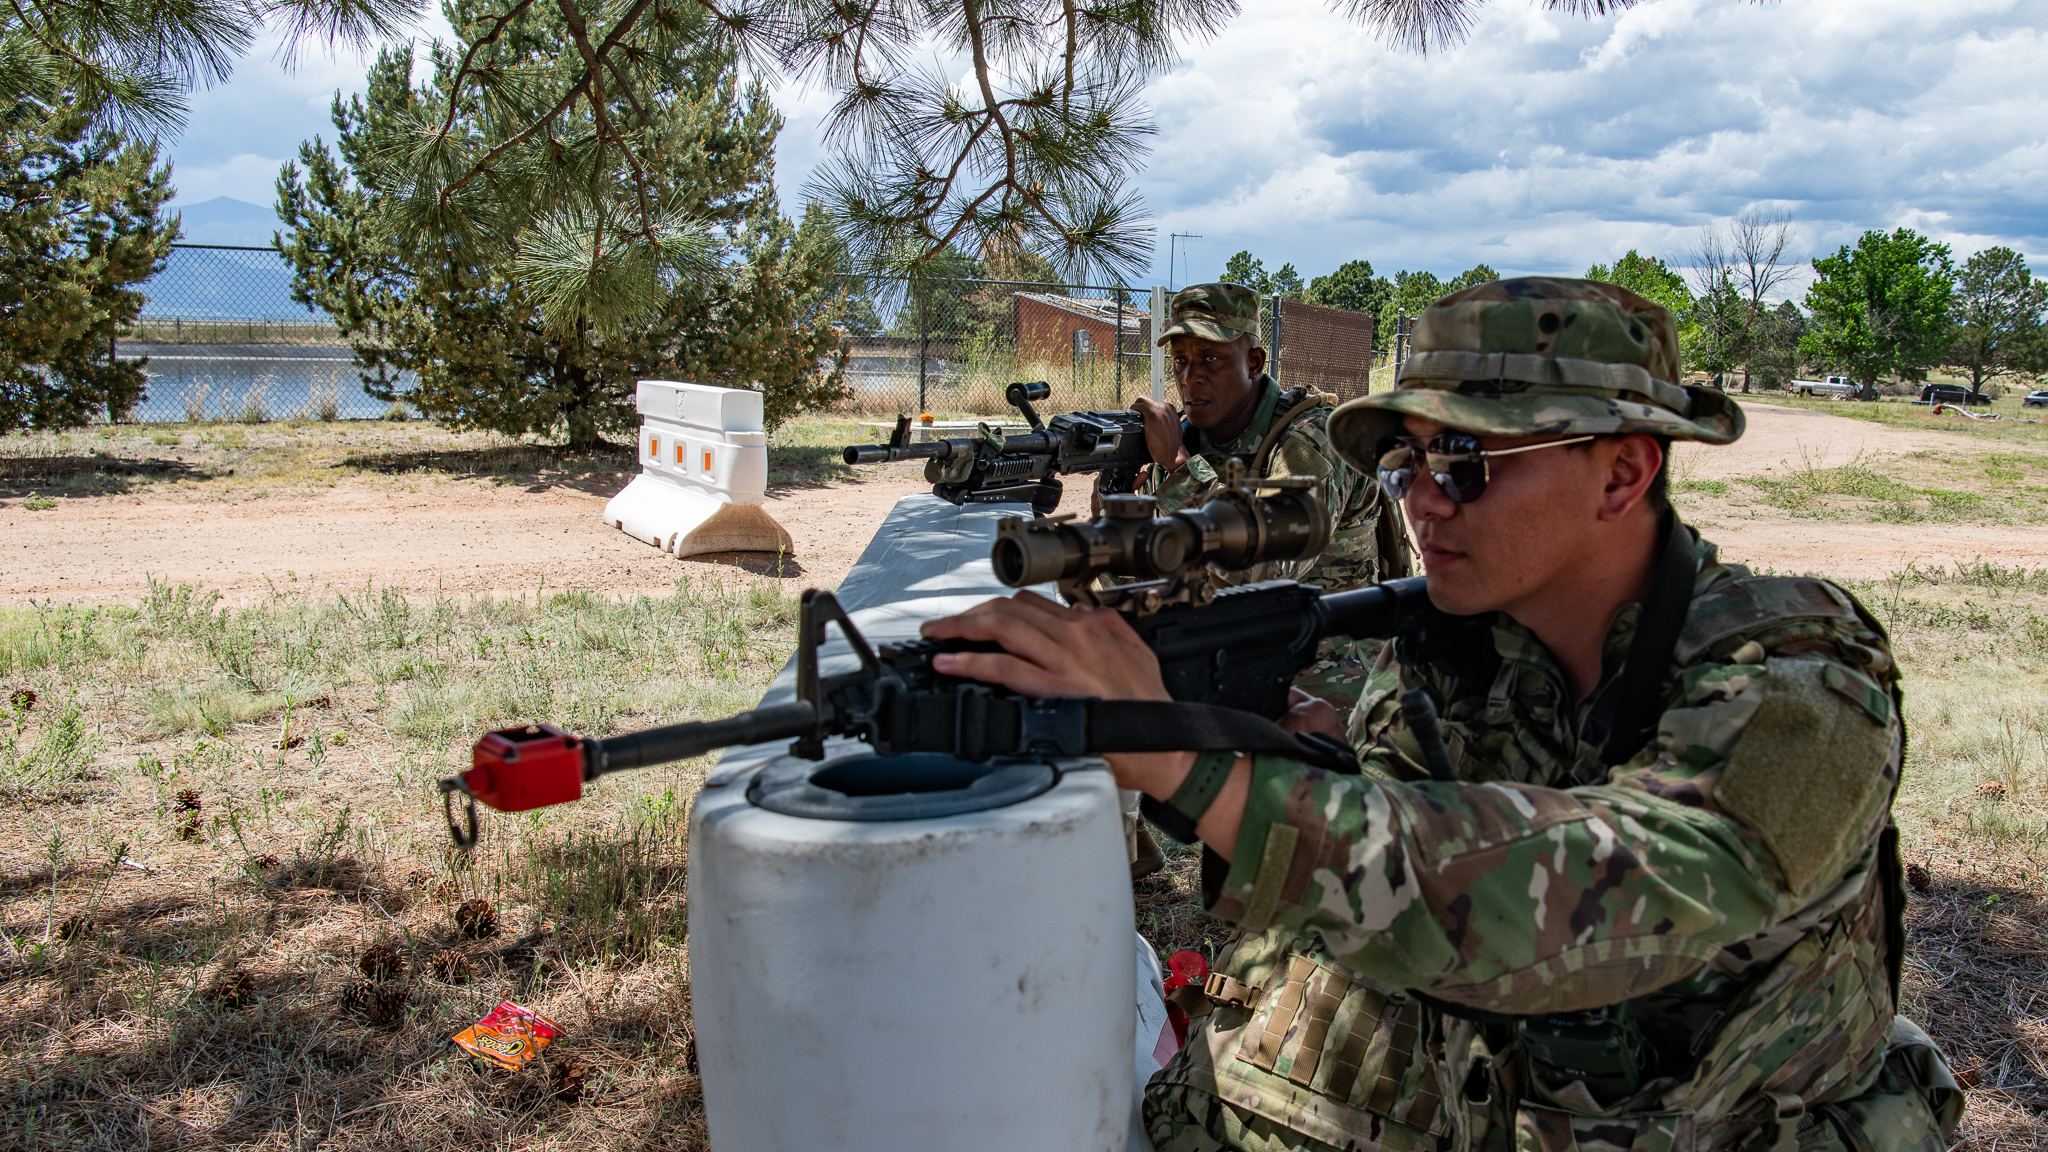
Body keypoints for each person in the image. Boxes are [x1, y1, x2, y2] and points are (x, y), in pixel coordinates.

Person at [923, 278, 1963, 1151]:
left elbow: (1597, 903)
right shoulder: (1454, 649)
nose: (1420, 500)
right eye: (1405, 462)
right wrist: (1228, 737)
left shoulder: (1796, 672)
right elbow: (1384, 857)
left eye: (1465, 463)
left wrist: (1192, 767)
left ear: (1623, 470)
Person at [1118, 282, 1411, 878]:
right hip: (1247, 636)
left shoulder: (1309, 443)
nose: (1191, 379)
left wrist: (1177, 471)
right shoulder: (1209, 438)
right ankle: (1126, 834)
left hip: (1329, 655)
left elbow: (1260, 571)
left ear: (1255, 362)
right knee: (1112, 645)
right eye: (1181, 363)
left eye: (1211, 361)